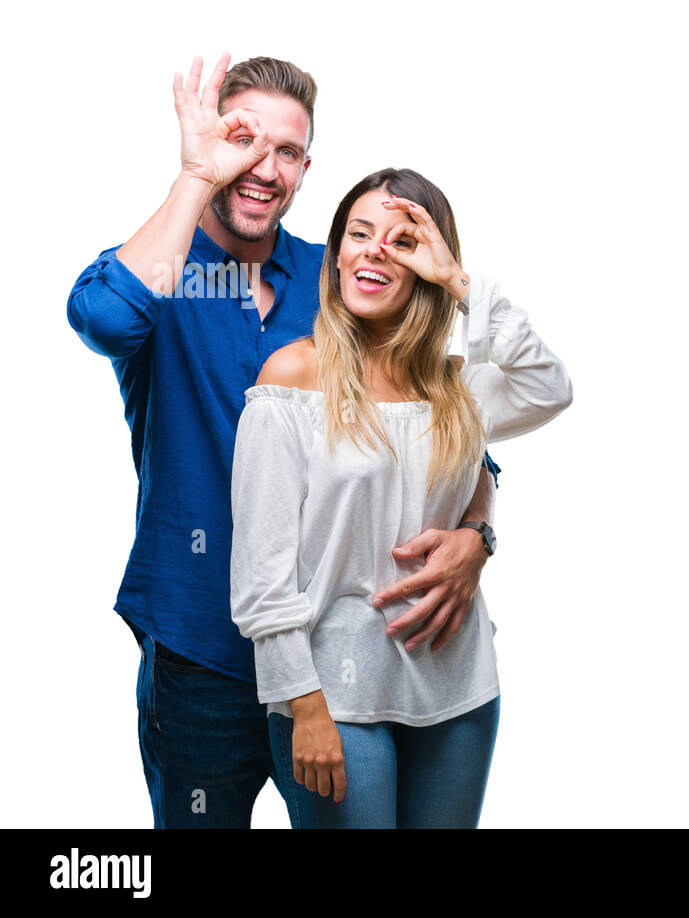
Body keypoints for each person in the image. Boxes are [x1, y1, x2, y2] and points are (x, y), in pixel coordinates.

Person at [67, 55, 502, 827]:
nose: (264, 168)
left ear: (308, 168)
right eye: (243, 141)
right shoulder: (164, 270)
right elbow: (106, 319)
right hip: (203, 654)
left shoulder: (341, 276)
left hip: (346, 664)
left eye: (289, 153)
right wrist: (197, 176)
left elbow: (450, 432)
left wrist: (477, 533)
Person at [230, 168, 571, 828]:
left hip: (457, 687)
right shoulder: (294, 377)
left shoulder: (456, 386)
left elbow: (549, 386)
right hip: (333, 691)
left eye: (402, 241)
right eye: (359, 234)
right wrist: (303, 706)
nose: (375, 251)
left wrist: (460, 283)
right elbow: (261, 576)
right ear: (335, 254)